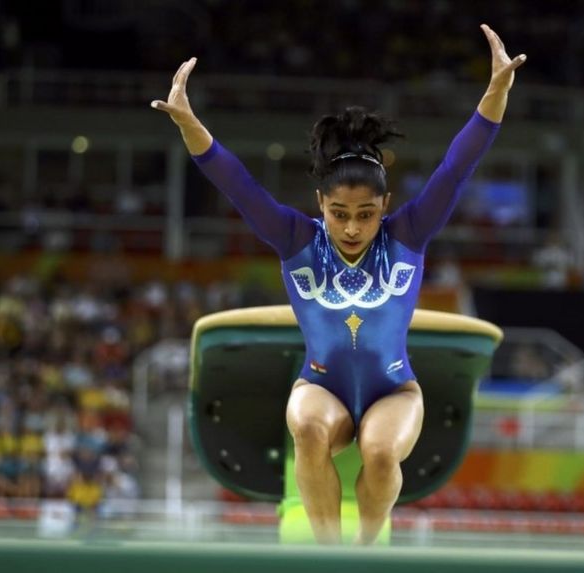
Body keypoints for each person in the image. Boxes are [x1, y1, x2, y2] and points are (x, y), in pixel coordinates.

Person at [152, 24, 525, 545]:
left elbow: (455, 169)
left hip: (394, 390)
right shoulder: (294, 238)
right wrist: (190, 123)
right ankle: (330, 554)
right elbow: (236, 183)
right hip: (321, 385)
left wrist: (495, 93)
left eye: (367, 214)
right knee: (306, 427)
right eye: (340, 213)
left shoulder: (409, 235)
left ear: (386, 207)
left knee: (377, 451)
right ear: (320, 206)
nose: (352, 228)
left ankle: (366, 551)